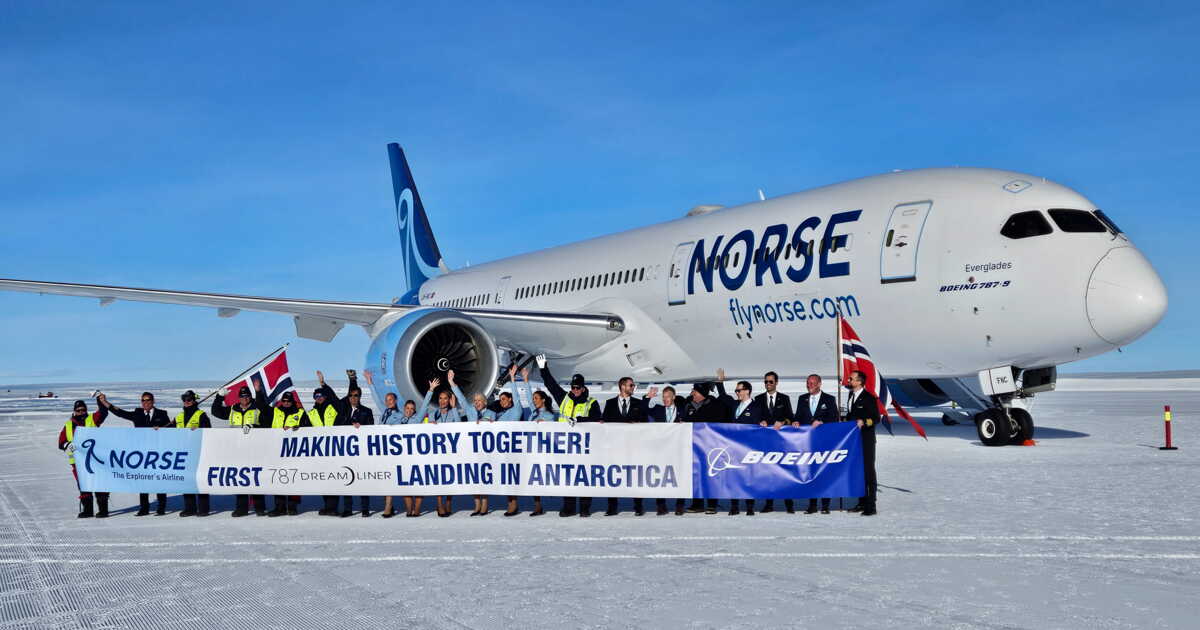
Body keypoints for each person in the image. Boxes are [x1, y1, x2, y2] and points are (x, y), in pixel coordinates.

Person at [537, 355, 600, 517]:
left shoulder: (591, 402)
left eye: (578, 387)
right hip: (566, 446)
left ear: (583, 388)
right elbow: (550, 385)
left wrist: (579, 420)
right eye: (573, 387)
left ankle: (585, 507)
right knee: (568, 477)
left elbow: (597, 418)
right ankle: (569, 507)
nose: (575, 390)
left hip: (584, 447)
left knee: (584, 478)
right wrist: (543, 368)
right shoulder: (565, 399)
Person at [99, 391, 170, 516]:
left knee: (159, 480)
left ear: (153, 401)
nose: (146, 403)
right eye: (143, 400)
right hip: (142, 454)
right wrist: (105, 402)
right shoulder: (137, 414)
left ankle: (161, 507)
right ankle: (144, 508)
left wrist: (162, 430)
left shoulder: (162, 414)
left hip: (158, 453)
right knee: (143, 481)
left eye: (148, 400)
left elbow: (172, 430)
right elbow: (120, 413)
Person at [211, 383, 271, 516]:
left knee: (256, 478)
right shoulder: (233, 409)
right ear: (238, 398)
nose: (245, 399)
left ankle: (260, 508)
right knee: (241, 479)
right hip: (237, 449)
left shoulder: (257, 408)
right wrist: (219, 397)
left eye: (247, 396)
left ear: (250, 397)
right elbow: (215, 412)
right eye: (242, 396)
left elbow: (268, 420)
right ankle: (241, 508)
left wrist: (254, 427)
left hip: (255, 449)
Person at [416, 374, 468, 517]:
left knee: (450, 479)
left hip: (451, 452)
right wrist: (430, 391)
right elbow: (423, 410)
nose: (443, 401)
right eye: (440, 398)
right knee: (439, 478)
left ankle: (449, 502)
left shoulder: (453, 413)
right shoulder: (433, 415)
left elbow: (458, 426)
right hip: (437, 452)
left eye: (445, 398)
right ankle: (440, 503)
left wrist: (454, 408)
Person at [370, 369, 420, 517]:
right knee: (386, 478)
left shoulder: (399, 415)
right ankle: (389, 505)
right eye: (387, 400)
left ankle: (389, 506)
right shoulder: (385, 412)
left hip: (396, 452)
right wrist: (370, 383)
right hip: (384, 450)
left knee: (393, 478)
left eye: (391, 400)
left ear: (396, 401)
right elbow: (376, 397)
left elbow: (403, 422)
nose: (388, 402)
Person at [713, 370, 761, 516]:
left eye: (739, 390)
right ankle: (734, 506)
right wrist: (720, 383)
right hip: (733, 447)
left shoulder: (757, 407)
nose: (737, 393)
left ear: (747, 391)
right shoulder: (734, 405)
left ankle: (750, 506)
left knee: (748, 477)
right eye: (736, 390)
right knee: (734, 476)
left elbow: (764, 422)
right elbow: (723, 397)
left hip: (748, 447)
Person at [601, 376, 648, 515]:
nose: (633, 388)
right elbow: (605, 424)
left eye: (633, 385)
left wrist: (638, 424)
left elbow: (645, 422)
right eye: (631, 385)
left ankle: (638, 505)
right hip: (615, 447)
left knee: (635, 475)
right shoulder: (610, 403)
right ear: (622, 387)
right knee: (613, 475)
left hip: (633, 447)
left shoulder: (638, 403)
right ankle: (612, 506)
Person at [681, 382, 729, 514]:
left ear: (702, 394)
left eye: (695, 392)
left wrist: (720, 384)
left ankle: (712, 504)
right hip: (693, 446)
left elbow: (723, 418)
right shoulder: (688, 405)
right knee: (695, 475)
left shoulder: (715, 405)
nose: (692, 394)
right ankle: (697, 503)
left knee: (711, 475)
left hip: (710, 446)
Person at [59, 397, 109, 518]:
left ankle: (103, 510)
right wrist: (67, 445)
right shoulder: (69, 425)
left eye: (83, 409)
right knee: (84, 486)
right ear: (74, 411)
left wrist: (99, 399)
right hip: (78, 463)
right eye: (78, 410)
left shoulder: (92, 419)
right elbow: (61, 442)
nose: (81, 412)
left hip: (94, 460)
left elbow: (103, 412)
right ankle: (88, 510)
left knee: (99, 484)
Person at [795, 374, 839, 514]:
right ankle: (812, 504)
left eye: (812, 383)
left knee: (824, 472)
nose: (809, 385)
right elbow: (798, 416)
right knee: (811, 472)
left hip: (824, 441)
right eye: (808, 383)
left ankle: (825, 505)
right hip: (807, 443)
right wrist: (795, 421)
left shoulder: (829, 399)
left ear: (820, 384)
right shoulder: (802, 399)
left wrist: (822, 422)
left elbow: (834, 418)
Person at [334, 372, 374, 517]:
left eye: (356, 395)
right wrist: (349, 423)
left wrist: (360, 426)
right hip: (346, 452)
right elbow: (336, 425)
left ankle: (364, 508)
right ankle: (348, 508)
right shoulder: (343, 411)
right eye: (351, 396)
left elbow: (370, 429)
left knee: (362, 479)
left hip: (361, 452)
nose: (353, 398)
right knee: (347, 478)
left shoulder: (367, 412)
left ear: (360, 397)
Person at [518, 369, 557, 517]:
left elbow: (552, 428)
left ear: (543, 400)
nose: (533, 401)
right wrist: (526, 381)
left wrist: (544, 424)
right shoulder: (534, 413)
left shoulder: (548, 416)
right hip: (532, 450)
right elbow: (527, 398)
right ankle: (538, 505)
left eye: (536, 398)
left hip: (543, 451)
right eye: (534, 399)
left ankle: (542, 502)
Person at [644, 385, 687, 515]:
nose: (665, 399)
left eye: (668, 397)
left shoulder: (682, 411)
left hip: (678, 448)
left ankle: (680, 505)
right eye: (664, 397)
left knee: (680, 476)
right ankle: (661, 505)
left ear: (674, 397)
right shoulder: (658, 410)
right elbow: (643, 409)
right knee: (661, 476)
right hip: (661, 449)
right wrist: (648, 397)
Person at [755, 371, 794, 513]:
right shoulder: (758, 399)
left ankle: (789, 503)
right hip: (765, 441)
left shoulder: (784, 398)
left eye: (770, 381)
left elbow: (790, 417)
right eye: (766, 382)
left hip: (781, 441)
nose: (768, 384)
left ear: (776, 382)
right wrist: (760, 421)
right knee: (768, 472)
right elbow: (755, 417)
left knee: (784, 471)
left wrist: (783, 421)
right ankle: (768, 503)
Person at [845, 370, 880, 516]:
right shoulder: (851, 395)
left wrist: (865, 422)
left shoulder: (869, 398)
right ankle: (861, 501)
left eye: (851, 379)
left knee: (868, 472)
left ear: (859, 382)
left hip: (865, 440)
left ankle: (871, 505)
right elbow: (851, 415)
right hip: (854, 441)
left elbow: (876, 418)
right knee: (858, 472)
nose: (848, 380)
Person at [308, 373, 344, 516]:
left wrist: (324, 384)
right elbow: (305, 428)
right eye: (316, 397)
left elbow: (335, 399)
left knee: (333, 478)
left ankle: (333, 507)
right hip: (319, 451)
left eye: (321, 396)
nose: (319, 398)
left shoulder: (333, 407)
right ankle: (327, 506)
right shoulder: (311, 413)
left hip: (333, 449)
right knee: (323, 478)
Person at [266, 391, 306, 516]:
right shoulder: (275, 411)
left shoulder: (300, 413)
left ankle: (292, 506)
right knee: (278, 477)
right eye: (284, 401)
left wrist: (298, 427)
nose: (286, 403)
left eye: (288, 401)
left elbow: (309, 428)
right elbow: (261, 407)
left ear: (292, 401)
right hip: (276, 449)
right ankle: (280, 507)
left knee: (293, 478)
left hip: (294, 451)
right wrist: (258, 391)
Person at [462, 378, 497, 517]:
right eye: (475, 401)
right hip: (472, 450)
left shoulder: (491, 414)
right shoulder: (470, 412)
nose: (476, 403)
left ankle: (485, 504)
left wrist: (485, 422)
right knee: (474, 478)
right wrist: (453, 384)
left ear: (484, 402)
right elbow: (462, 401)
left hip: (485, 451)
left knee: (484, 477)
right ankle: (476, 504)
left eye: (479, 400)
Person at [174, 390, 212, 517]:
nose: (186, 402)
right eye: (184, 400)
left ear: (194, 400)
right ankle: (190, 508)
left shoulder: (201, 415)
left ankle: (203, 508)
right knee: (187, 481)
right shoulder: (178, 417)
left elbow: (208, 432)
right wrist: (158, 429)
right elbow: (169, 432)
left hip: (198, 453)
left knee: (200, 480)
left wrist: (200, 429)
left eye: (189, 400)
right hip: (183, 454)